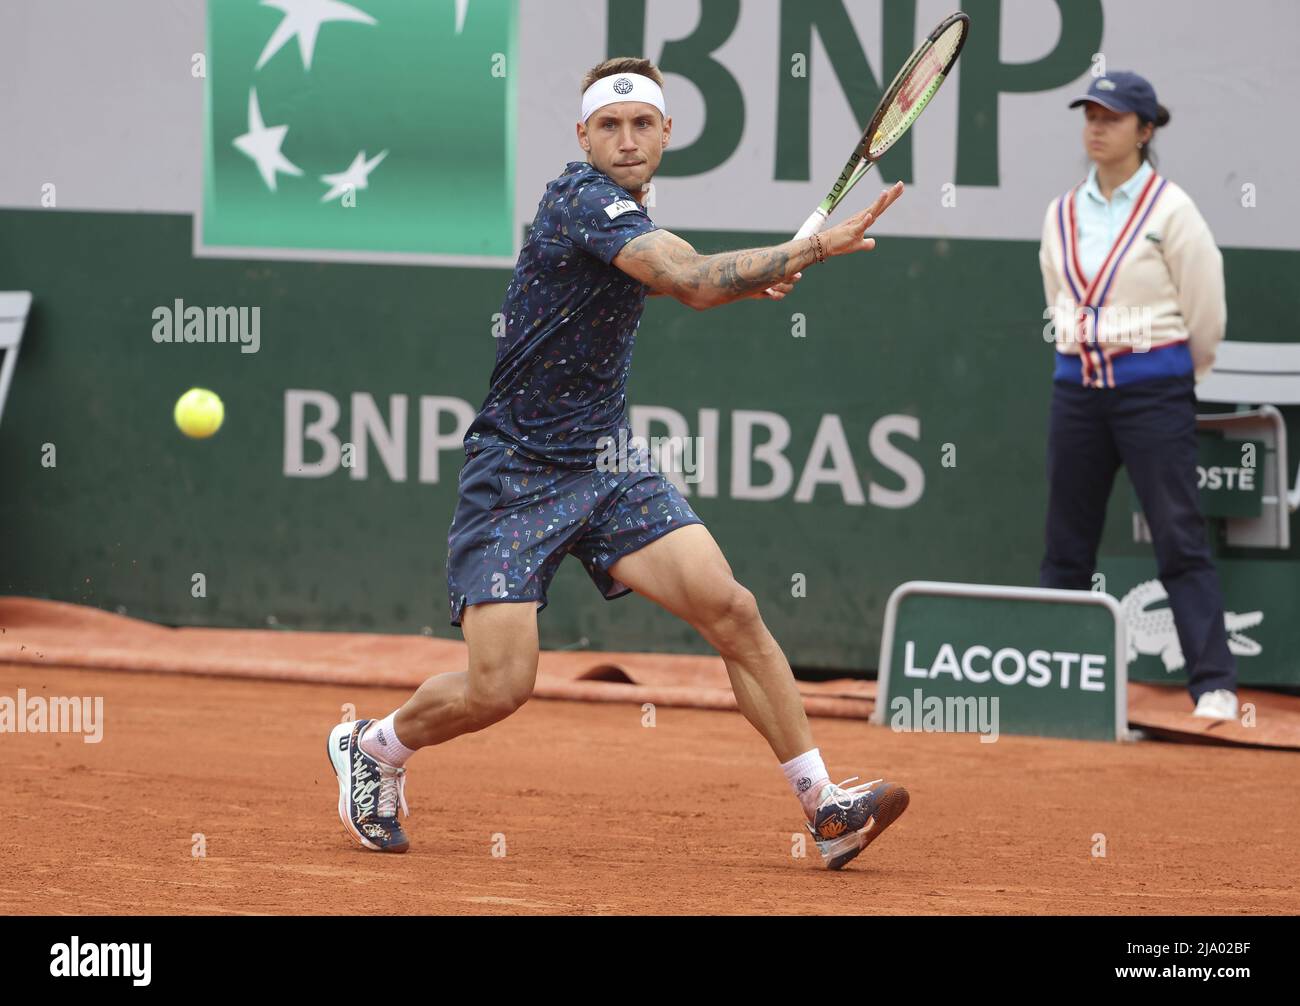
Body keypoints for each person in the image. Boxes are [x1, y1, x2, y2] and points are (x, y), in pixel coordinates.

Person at [327, 58, 909, 867]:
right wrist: (801, 251)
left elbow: (686, 277)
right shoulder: (579, 199)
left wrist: (748, 275)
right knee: (500, 687)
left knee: (731, 609)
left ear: (666, 132)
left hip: (606, 464)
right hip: (516, 473)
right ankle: (376, 747)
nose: (627, 140)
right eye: (610, 125)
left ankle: (825, 808)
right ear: (583, 137)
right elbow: (691, 280)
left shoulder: (635, 207)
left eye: (643, 124)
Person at [1037, 71, 1237, 719]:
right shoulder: (1061, 212)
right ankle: (1053, 680)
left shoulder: (1173, 210)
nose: (1097, 126)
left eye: (1114, 117)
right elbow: (1060, 304)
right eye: (1090, 114)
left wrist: (1176, 374)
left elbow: (1205, 311)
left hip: (1156, 392)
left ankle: (1213, 687)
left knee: (1178, 537)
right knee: (1067, 543)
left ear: (1145, 131)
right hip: (1078, 392)